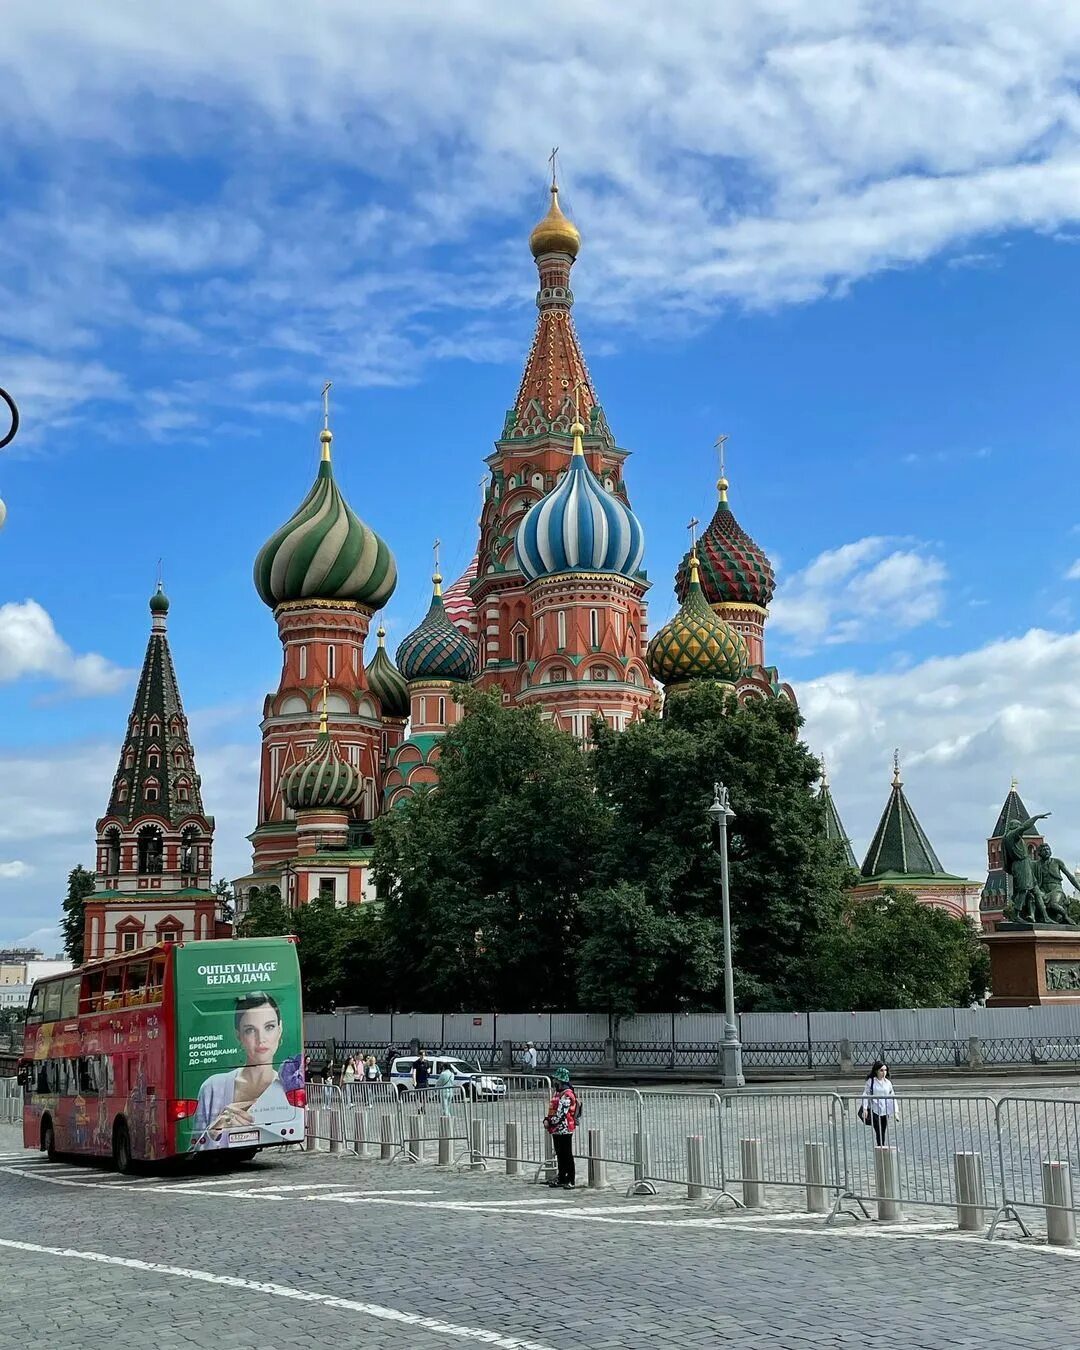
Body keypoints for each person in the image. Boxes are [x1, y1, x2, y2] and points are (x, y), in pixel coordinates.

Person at [192, 991, 303, 1151]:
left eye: (269, 1027)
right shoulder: (212, 1087)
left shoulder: (288, 1085)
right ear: (239, 1035)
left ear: (280, 1030)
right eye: (250, 1030)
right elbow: (194, 1151)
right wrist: (213, 1132)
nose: (261, 1039)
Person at [543, 1066, 579, 1188]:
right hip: (557, 1129)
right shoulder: (559, 1093)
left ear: (561, 1081)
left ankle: (571, 1179)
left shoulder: (567, 1095)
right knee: (560, 1154)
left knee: (567, 1154)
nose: (554, 1082)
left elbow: (561, 1113)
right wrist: (548, 1119)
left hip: (565, 1128)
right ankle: (562, 1177)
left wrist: (549, 1122)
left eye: (556, 1080)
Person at [858, 1060, 898, 1146]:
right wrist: (865, 1108)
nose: (884, 1073)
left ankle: (881, 1146)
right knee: (878, 1130)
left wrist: (895, 1111)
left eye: (885, 1070)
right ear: (876, 1071)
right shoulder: (871, 1081)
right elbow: (866, 1094)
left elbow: (892, 1096)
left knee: (883, 1130)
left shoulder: (888, 1083)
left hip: (885, 1110)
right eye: (881, 1070)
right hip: (874, 1109)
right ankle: (880, 1146)